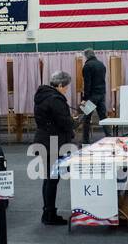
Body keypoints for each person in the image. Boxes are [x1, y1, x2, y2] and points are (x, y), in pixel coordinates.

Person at [34, 70, 75, 226]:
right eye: (65, 87)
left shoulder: (42, 96)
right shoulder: (55, 99)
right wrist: (73, 122)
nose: (66, 90)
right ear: (59, 85)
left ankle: (48, 211)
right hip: (54, 142)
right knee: (52, 179)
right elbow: (65, 123)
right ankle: (49, 214)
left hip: (44, 140)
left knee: (49, 179)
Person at [80, 48, 107, 145]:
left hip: (92, 97)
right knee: (104, 118)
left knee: (86, 118)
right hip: (101, 94)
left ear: (86, 56)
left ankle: (86, 141)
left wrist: (84, 99)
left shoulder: (87, 66)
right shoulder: (102, 65)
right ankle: (109, 137)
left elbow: (88, 84)